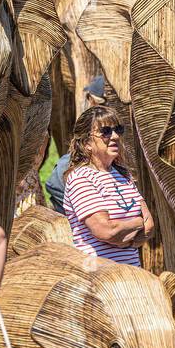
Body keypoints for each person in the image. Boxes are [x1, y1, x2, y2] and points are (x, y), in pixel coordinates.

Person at [62, 105, 153, 262]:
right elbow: (105, 231)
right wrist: (138, 222)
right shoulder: (81, 179)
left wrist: (122, 237)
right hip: (97, 278)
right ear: (86, 143)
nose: (115, 136)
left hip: (130, 276)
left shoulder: (123, 175)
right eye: (105, 132)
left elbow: (150, 226)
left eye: (118, 130)